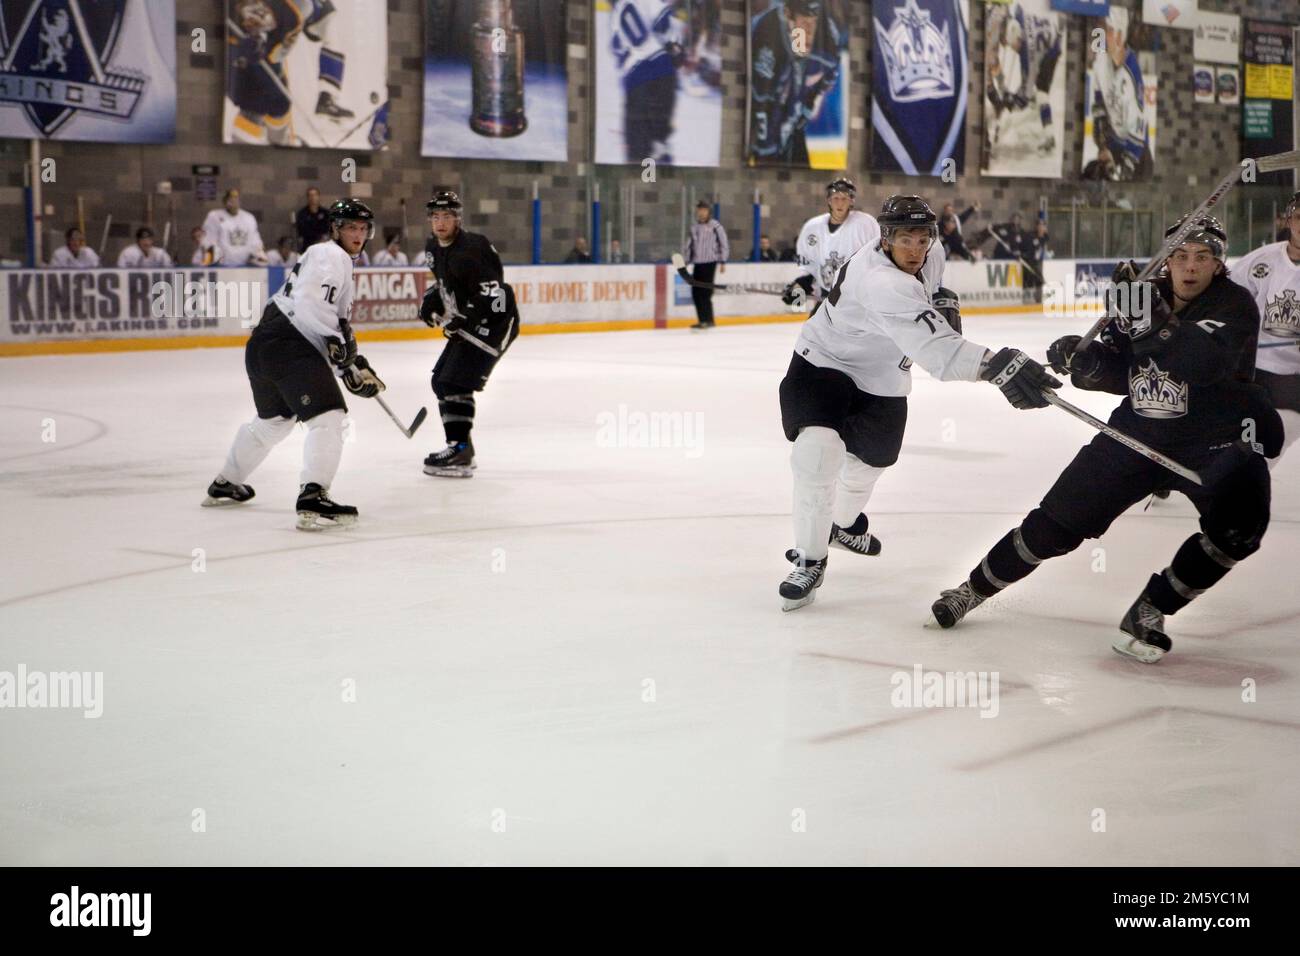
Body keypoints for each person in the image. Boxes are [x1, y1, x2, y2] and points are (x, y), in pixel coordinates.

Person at [930, 215, 1281, 663]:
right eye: (1180, 256)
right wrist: (1086, 361)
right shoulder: (1143, 299)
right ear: (1167, 261)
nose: (1190, 267)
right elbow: (1118, 372)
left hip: (1213, 442)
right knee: (1052, 528)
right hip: (1137, 434)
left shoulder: (1235, 306)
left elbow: (1203, 365)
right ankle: (971, 590)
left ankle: (1151, 609)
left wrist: (1152, 324)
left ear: (1218, 263)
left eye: (1202, 257)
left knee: (1239, 528)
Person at [776, 195, 1060, 611]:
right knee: (817, 455)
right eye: (904, 239)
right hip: (824, 361)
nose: (915, 248)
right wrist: (998, 366)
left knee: (868, 467)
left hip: (885, 375)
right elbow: (938, 351)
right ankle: (810, 559)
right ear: (885, 238)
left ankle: (844, 525)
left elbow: (933, 290)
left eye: (922, 237)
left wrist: (943, 299)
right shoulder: (879, 280)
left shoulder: (933, 251)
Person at [202, 199, 385, 531]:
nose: (357, 235)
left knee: (274, 421)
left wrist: (350, 367)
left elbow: (329, 322)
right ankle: (313, 494)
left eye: (362, 229)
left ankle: (227, 482)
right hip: (289, 344)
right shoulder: (332, 254)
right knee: (329, 416)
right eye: (350, 227)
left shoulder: (328, 258)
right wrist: (345, 356)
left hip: (264, 343)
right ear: (335, 229)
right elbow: (314, 308)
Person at [418, 190, 521, 478]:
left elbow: (496, 293)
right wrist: (432, 301)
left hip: (495, 322)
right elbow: (446, 284)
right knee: (441, 380)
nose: (441, 222)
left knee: (455, 381)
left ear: (458, 219)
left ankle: (460, 450)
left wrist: (464, 319)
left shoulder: (473, 247)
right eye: (436, 217)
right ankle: (461, 447)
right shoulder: (433, 248)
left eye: (447, 216)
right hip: (471, 322)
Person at [1233, 191, 1300, 462]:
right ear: (1287, 221)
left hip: (1295, 380)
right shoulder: (1260, 261)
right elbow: (1228, 302)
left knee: (1268, 446)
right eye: (1298, 217)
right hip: (1256, 371)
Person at [748, 0, 842, 166]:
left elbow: (830, 74)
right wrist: (764, 147)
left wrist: (808, 106)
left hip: (792, 116)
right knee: (767, 158)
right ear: (787, 16)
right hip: (768, 108)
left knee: (800, 163)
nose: (810, 32)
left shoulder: (828, 38)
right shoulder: (766, 35)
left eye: (814, 22)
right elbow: (759, 100)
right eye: (804, 23)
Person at [782, 176, 880, 311]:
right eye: (836, 198)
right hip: (827, 296)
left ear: (851, 201)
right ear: (829, 200)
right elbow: (809, 265)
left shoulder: (865, 224)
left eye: (844, 199)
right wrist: (802, 284)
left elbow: (879, 256)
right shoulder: (813, 227)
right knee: (812, 332)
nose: (840, 203)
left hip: (857, 300)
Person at [610, 0, 685, 164]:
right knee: (658, 142)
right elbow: (663, 23)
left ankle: (646, 181)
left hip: (638, 83)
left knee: (639, 154)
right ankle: (658, 150)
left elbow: (619, 52)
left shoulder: (615, 18)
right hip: (663, 75)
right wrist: (675, 48)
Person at [684, 200, 728, 330]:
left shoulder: (716, 226)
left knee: (705, 292)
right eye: (699, 210)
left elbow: (723, 243)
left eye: (704, 210)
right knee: (695, 292)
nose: (701, 213)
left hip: (710, 263)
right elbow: (689, 245)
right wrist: (686, 261)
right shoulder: (694, 227)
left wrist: (723, 261)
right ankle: (702, 319)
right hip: (698, 263)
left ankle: (708, 320)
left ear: (708, 211)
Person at [200, 189, 267, 266]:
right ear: (224, 201)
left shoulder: (249, 218)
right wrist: (213, 263)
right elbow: (208, 240)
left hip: (245, 268)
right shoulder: (214, 216)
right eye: (230, 199)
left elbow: (256, 242)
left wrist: (259, 257)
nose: (233, 201)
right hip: (222, 266)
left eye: (236, 198)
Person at [1020, 219, 1050, 301]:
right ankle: (1026, 299)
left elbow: (1042, 241)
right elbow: (1028, 248)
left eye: (1043, 226)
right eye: (1039, 225)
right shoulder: (1031, 236)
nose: (1041, 227)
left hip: (1035, 262)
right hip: (1028, 261)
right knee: (1032, 280)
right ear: (1036, 227)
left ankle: (1037, 299)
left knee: (1038, 281)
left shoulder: (1045, 237)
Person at [296, 187, 331, 251]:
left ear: (319, 196)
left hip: (323, 244)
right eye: (310, 195)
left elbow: (327, 228)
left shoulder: (325, 213)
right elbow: (302, 230)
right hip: (308, 245)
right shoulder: (302, 214)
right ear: (307, 197)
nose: (313, 197)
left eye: (315, 195)